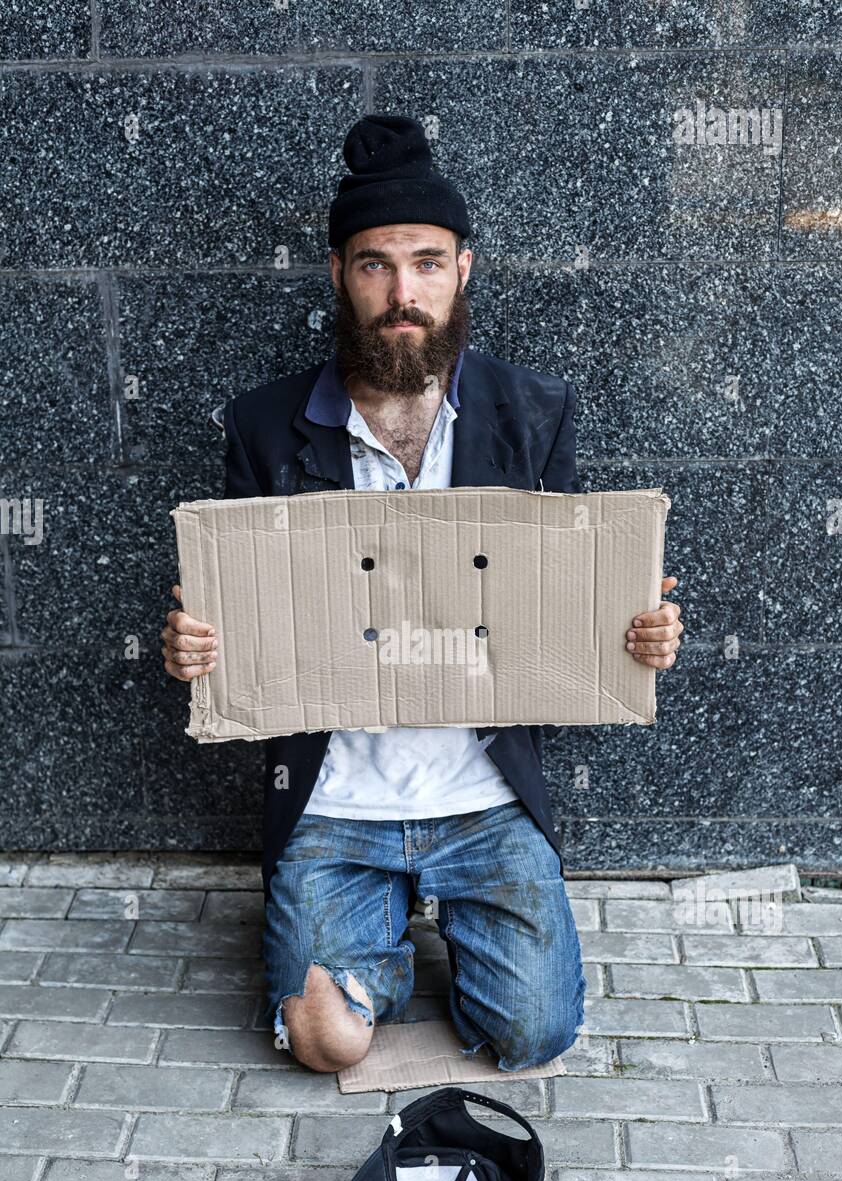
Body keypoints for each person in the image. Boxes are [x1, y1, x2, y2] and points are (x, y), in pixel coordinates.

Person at [162, 114, 683, 1075]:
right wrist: (193, 646)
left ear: (463, 271)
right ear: (337, 275)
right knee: (324, 1042)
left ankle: (416, 920)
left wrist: (636, 631)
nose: (404, 293)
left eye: (427, 263)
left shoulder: (532, 412)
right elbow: (231, 610)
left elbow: (567, 603)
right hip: (338, 797)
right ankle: (376, 933)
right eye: (375, 265)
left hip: (479, 790)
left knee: (534, 1036)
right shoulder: (267, 427)